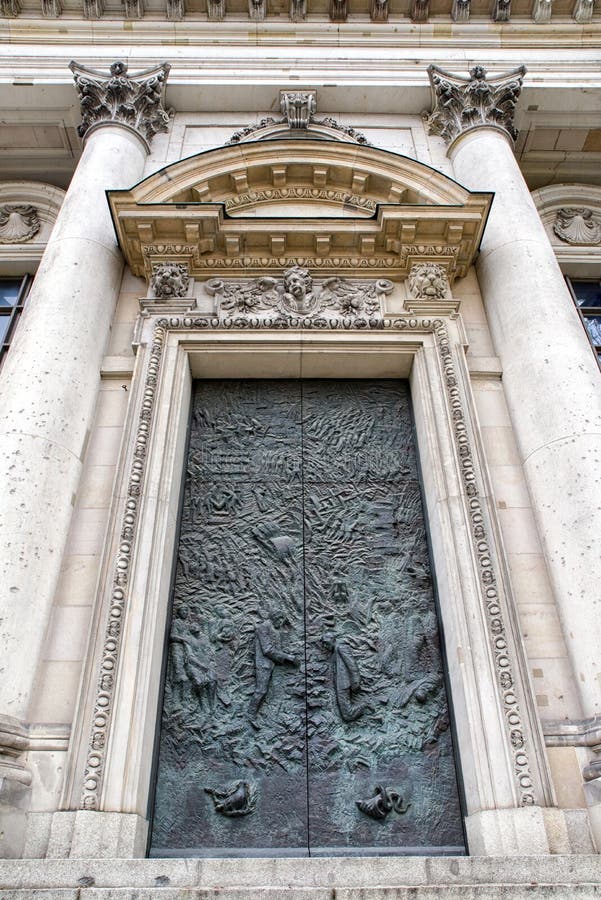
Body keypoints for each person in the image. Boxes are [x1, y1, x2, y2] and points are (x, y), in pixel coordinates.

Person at [249, 608, 298, 718]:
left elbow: (276, 647)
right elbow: (267, 649)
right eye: (280, 620)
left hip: (273, 664)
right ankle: (250, 714)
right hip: (264, 664)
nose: (281, 623)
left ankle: (269, 714)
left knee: (272, 690)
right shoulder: (263, 627)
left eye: (282, 620)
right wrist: (288, 657)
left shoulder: (274, 629)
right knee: (261, 690)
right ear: (274, 618)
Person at [322, 632, 367, 722]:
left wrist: (356, 680)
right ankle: (364, 706)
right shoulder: (335, 650)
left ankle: (366, 705)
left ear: (333, 640)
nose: (325, 646)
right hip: (340, 683)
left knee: (347, 714)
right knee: (346, 713)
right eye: (324, 643)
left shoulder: (341, 647)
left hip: (343, 683)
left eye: (326, 643)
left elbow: (351, 663)